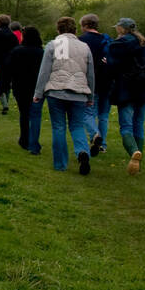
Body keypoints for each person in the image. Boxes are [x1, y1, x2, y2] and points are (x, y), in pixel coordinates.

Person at [32, 16, 96, 174]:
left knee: (59, 127)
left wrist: (38, 93)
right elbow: (90, 74)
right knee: (77, 126)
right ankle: (82, 152)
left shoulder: (54, 45)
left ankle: (60, 164)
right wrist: (90, 96)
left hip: (56, 91)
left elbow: (44, 71)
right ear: (75, 30)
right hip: (79, 93)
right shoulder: (84, 47)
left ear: (58, 30)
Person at [108, 17, 145, 175]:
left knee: (126, 125)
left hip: (126, 89)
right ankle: (138, 163)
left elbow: (112, 66)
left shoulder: (119, 44)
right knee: (139, 124)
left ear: (121, 29)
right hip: (143, 89)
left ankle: (134, 151)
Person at [78, 13, 113, 156]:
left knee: (88, 113)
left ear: (84, 25)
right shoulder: (107, 40)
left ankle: (94, 135)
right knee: (104, 115)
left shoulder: (81, 41)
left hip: (89, 82)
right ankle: (102, 145)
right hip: (107, 81)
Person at [7, 26, 45, 153]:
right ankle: (33, 140)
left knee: (24, 113)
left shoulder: (17, 51)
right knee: (35, 114)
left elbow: (10, 67)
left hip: (20, 86)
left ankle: (24, 138)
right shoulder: (41, 52)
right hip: (37, 86)